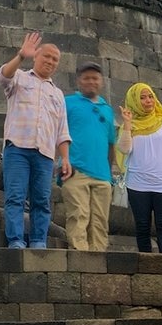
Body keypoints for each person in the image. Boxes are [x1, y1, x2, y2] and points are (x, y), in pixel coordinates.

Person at [0, 31, 73, 249]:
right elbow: (2, 77)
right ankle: (16, 240)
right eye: (46, 56)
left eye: (55, 59)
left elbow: (62, 130)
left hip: (45, 153)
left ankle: (39, 241)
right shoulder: (19, 77)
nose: (50, 61)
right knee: (15, 196)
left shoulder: (57, 94)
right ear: (36, 56)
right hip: (17, 147)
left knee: (41, 201)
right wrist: (21, 55)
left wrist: (65, 159)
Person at [120, 81, 162, 254]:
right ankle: (146, 265)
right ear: (134, 101)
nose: (148, 101)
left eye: (150, 97)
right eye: (142, 98)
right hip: (137, 183)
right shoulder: (130, 124)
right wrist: (127, 124)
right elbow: (125, 149)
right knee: (142, 226)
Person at [61, 64, 120, 252]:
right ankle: (81, 260)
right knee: (79, 215)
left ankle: (98, 260)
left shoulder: (107, 110)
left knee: (100, 221)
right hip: (76, 169)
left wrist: (110, 174)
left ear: (101, 82)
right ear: (79, 81)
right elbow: (56, 132)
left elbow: (111, 143)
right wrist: (61, 160)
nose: (91, 82)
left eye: (95, 78)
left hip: (102, 174)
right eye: (86, 78)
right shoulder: (67, 103)